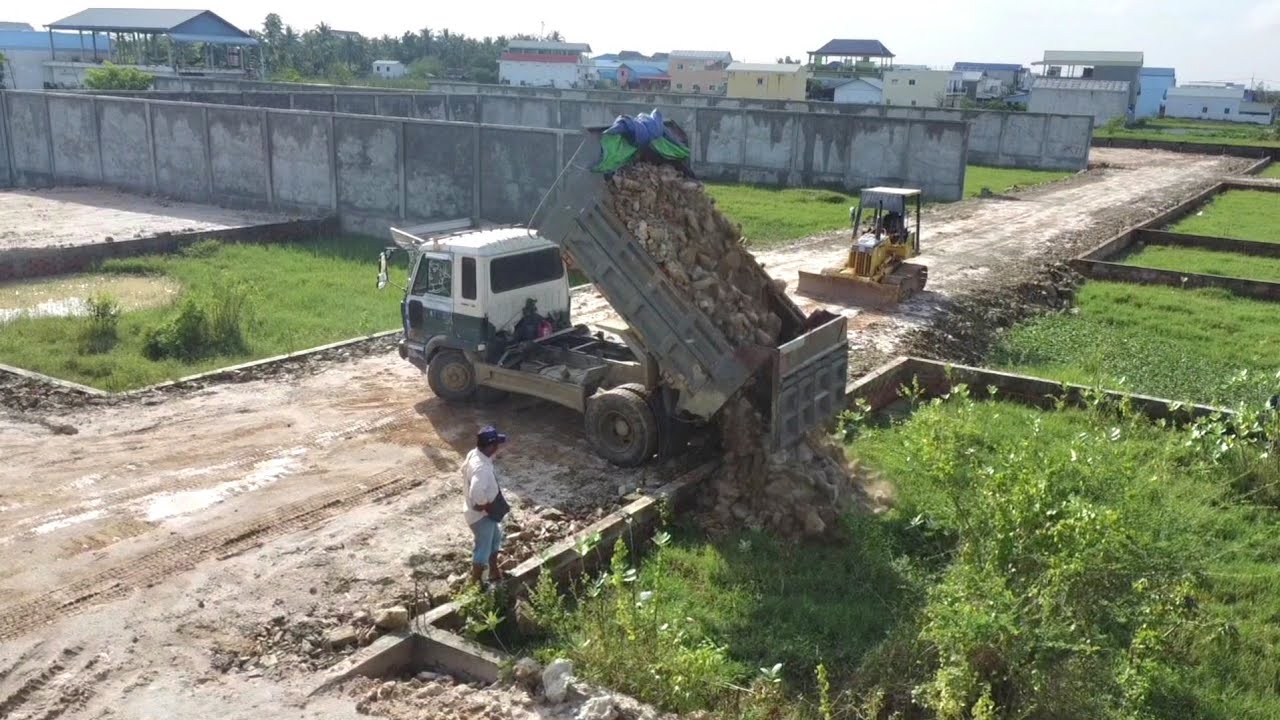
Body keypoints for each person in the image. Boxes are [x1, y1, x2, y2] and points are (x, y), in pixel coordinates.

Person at [461, 425, 510, 585]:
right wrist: (483, 505)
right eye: (496, 445)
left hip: (482, 513)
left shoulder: (474, 454)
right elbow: (476, 492)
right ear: (489, 446)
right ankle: (475, 585)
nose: (497, 448)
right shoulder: (481, 468)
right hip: (480, 516)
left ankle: (494, 572)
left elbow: (464, 471)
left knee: (496, 537)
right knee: (482, 549)